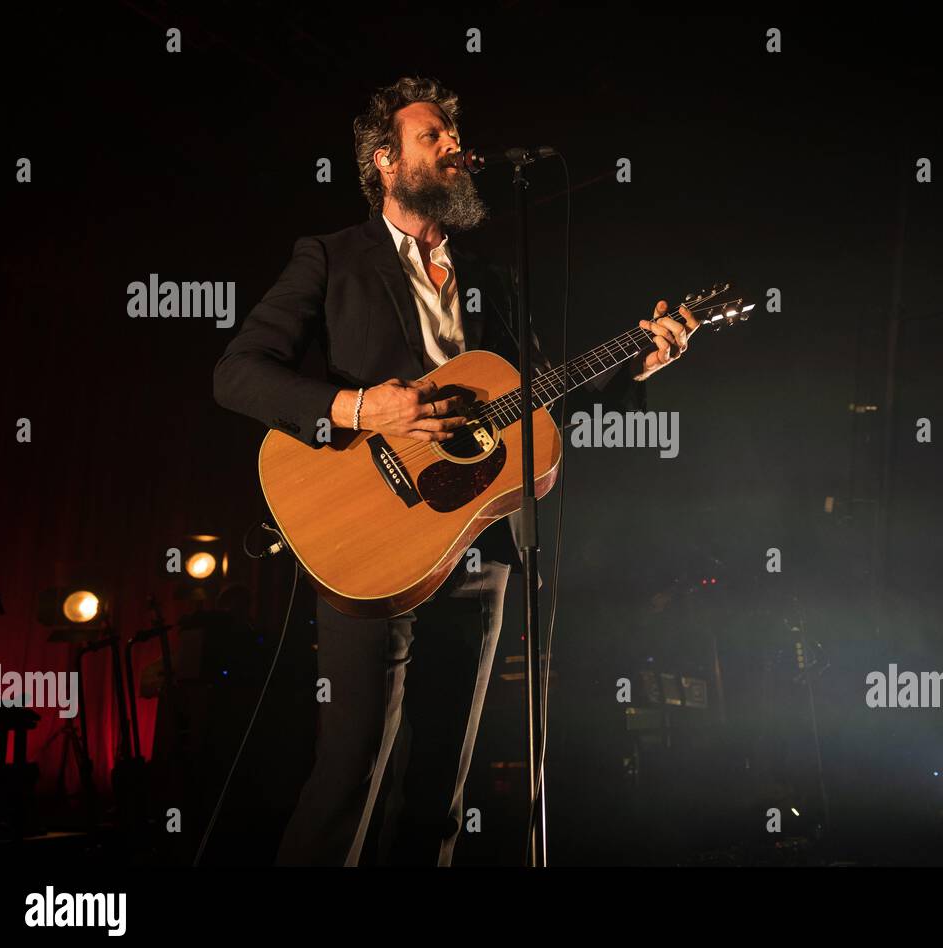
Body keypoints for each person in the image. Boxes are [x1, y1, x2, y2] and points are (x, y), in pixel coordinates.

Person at [213, 76, 696, 865]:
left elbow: (534, 405)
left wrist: (634, 362)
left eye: (452, 135)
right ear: (384, 160)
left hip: (475, 549)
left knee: (442, 787)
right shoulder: (333, 258)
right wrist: (366, 408)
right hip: (367, 541)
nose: (452, 147)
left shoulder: (494, 281)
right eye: (432, 134)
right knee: (349, 776)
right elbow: (237, 373)